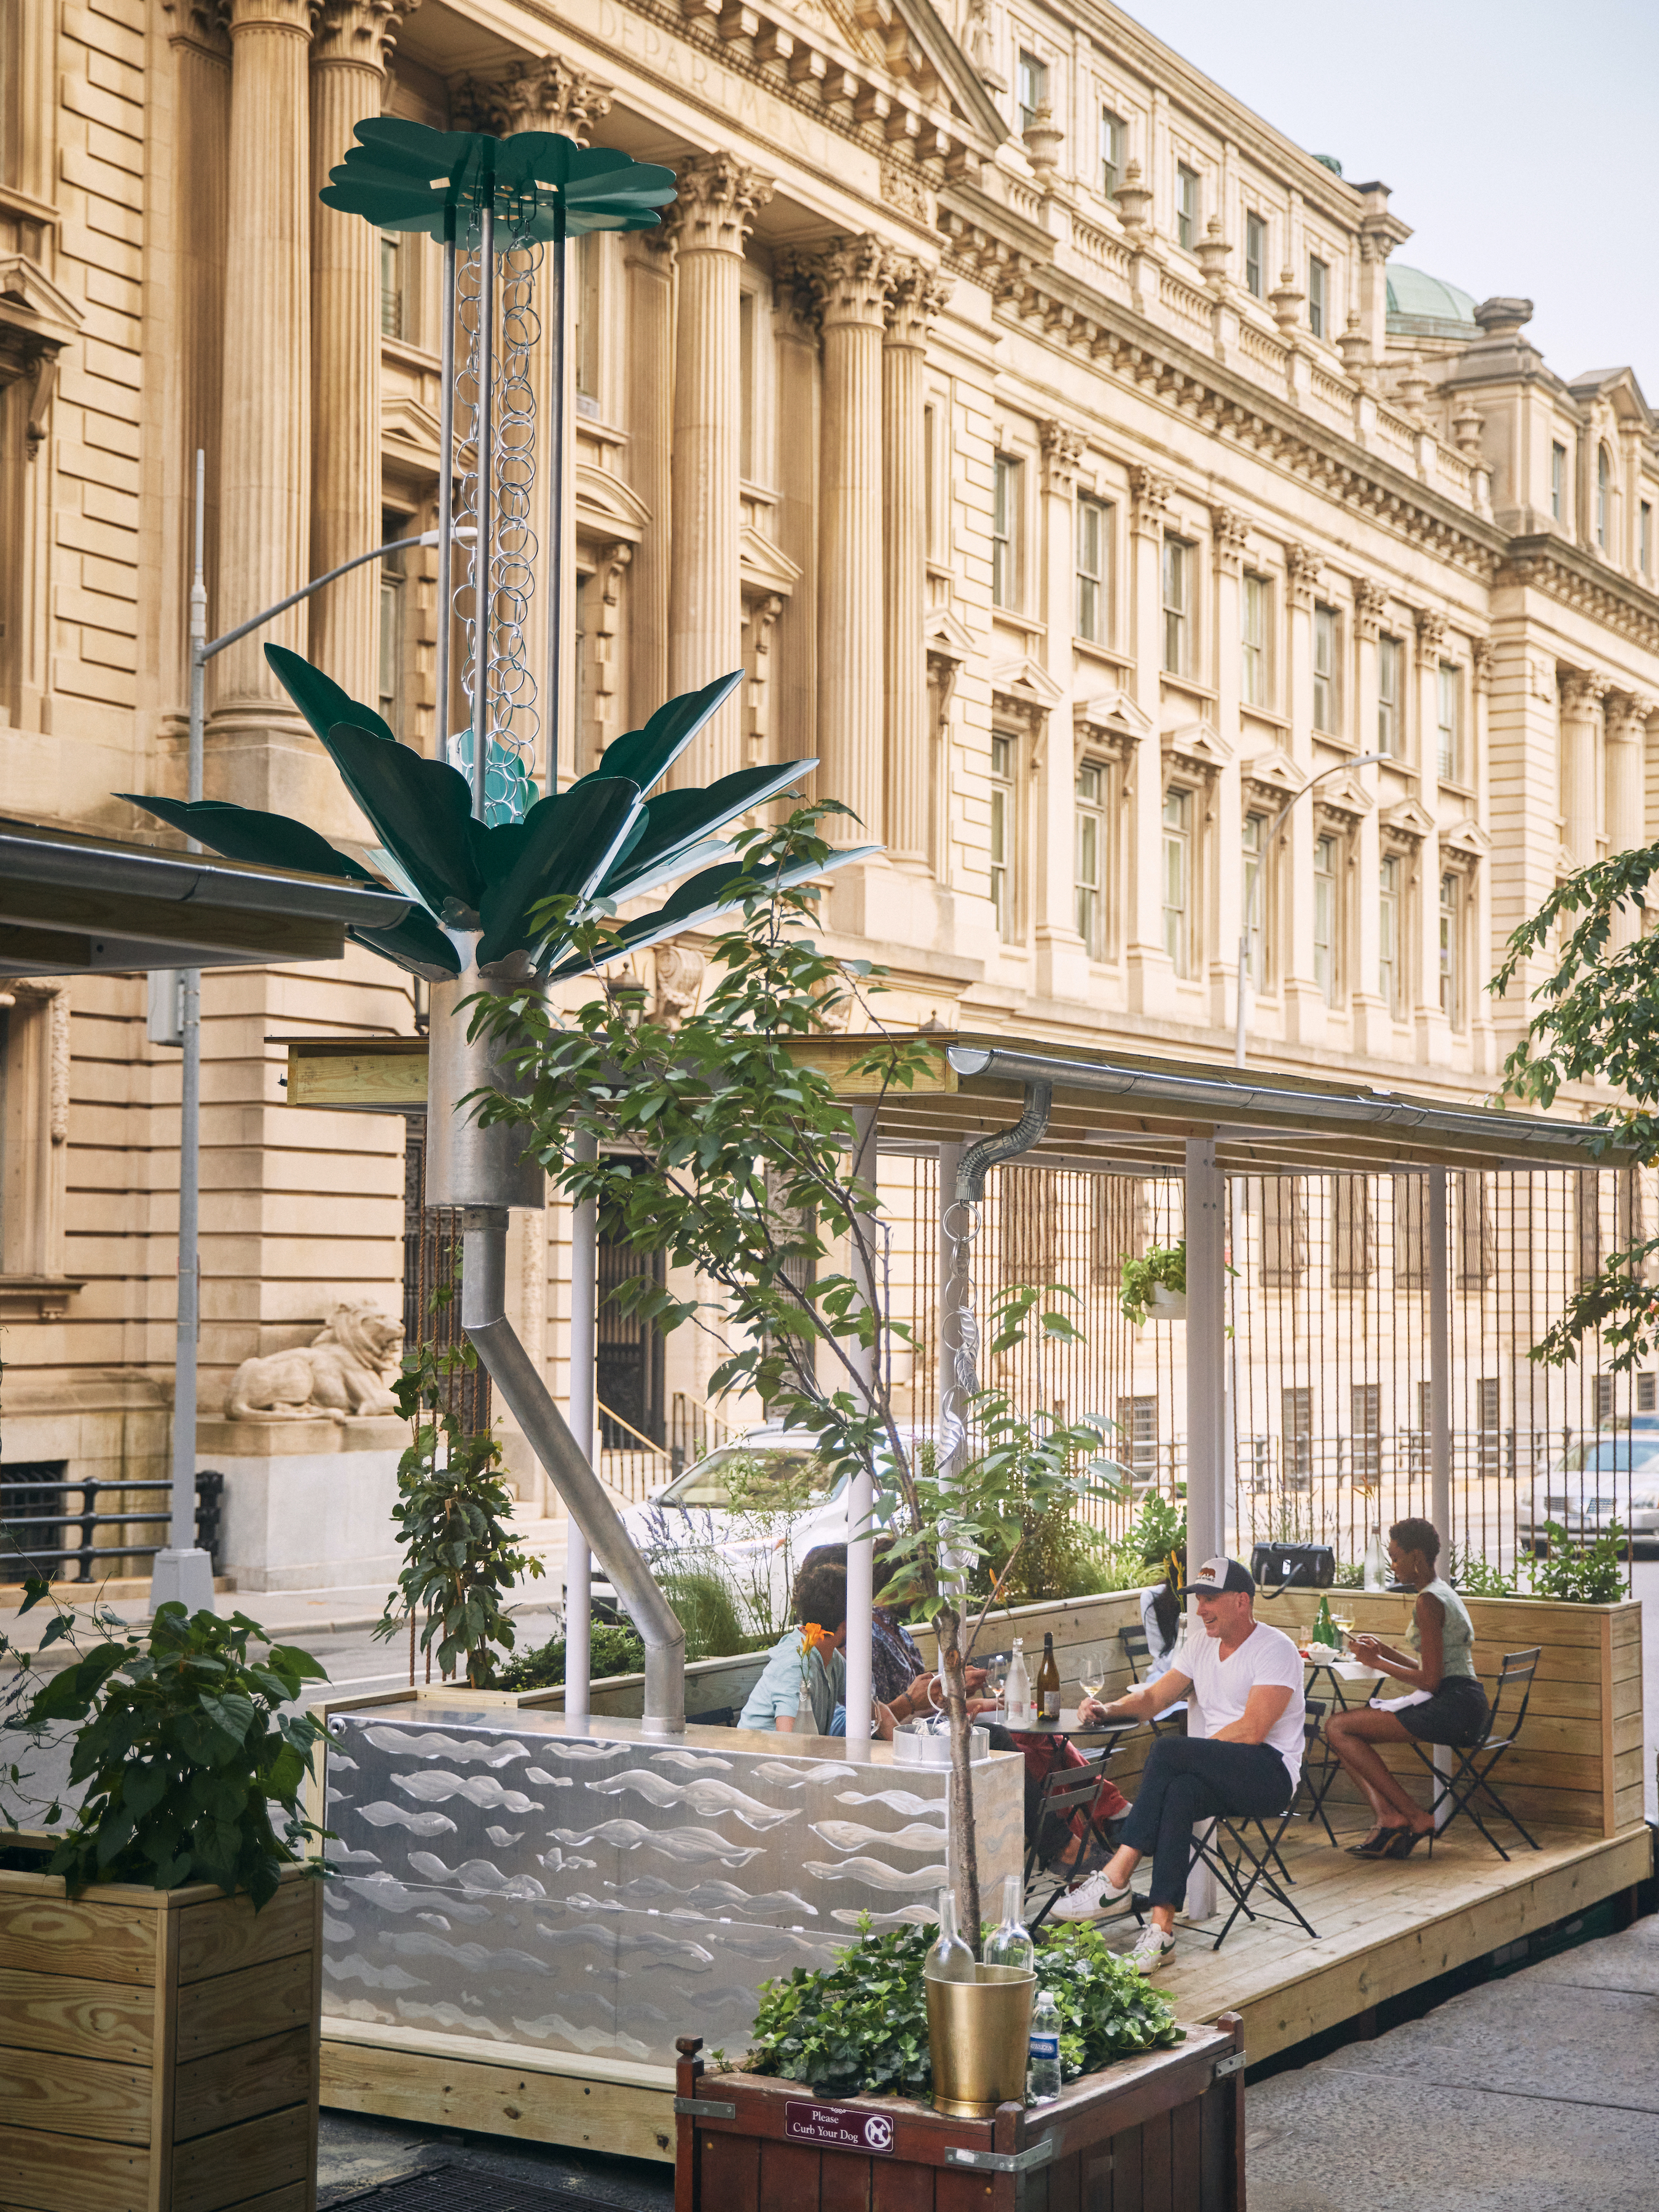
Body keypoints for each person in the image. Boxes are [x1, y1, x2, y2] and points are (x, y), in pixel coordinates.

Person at [1051, 1556, 1304, 1975]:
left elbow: (1254, 1729)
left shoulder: (1276, 1649)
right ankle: (1161, 1931)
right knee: (1179, 1791)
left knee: (1170, 1753)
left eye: (1210, 1599)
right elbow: (1153, 1699)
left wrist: (1195, 1754)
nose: (1200, 1609)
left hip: (1269, 1774)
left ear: (1241, 1602)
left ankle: (1115, 1877)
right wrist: (1107, 1709)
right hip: (1221, 1767)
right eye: (1197, 1599)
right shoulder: (1200, 1644)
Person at [1326, 1518, 1488, 1859]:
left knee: (1338, 1727)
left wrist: (1376, 1662)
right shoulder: (1441, 1592)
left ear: (1417, 1556)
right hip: (1464, 1700)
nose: (1393, 1565)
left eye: (1396, 1557)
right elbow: (1432, 1669)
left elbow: (1431, 1680)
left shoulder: (1428, 1602)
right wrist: (1385, 1651)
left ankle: (1410, 1816)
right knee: (1344, 1730)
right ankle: (1392, 1816)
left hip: (1454, 1706)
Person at [738, 1560, 848, 1732]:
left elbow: (871, 1709)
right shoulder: (796, 1666)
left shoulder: (831, 1658)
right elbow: (790, 1746)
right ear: (845, 1624)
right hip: (760, 1757)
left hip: (800, 1755)